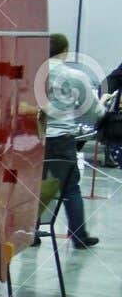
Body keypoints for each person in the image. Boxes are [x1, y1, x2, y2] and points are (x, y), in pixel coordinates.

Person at [42, 34, 101, 248]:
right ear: (65, 50)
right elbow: (91, 110)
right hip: (61, 139)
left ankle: (29, 234)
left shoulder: (34, 73)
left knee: (34, 186)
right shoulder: (72, 75)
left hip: (34, 139)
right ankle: (79, 237)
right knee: (70, 189)